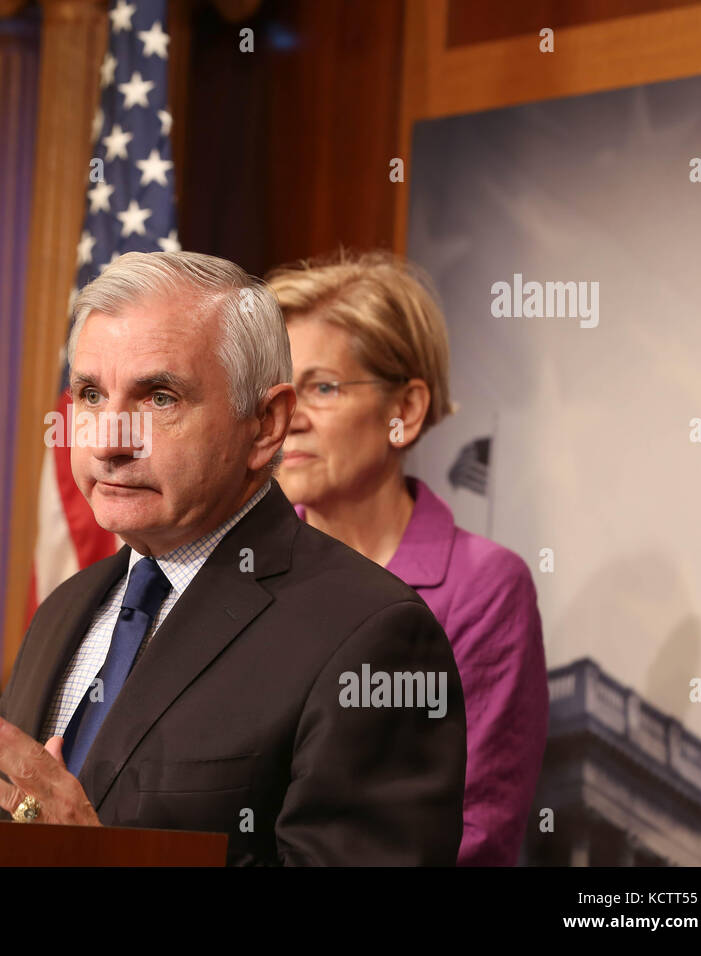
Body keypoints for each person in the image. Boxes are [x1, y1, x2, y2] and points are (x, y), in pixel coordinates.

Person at [0, 251, 467, 865]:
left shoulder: (370, 633)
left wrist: (98, 861)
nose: (109, 441)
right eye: (92, 396)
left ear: (266, 424)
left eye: (159, 398)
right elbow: (33, 834)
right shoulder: (66, 608)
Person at [265, 250, 548, 865]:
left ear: (406, 411)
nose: (292, 420)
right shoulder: (245, 572)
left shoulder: (485, 588)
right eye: (281, 393)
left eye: (322, 387)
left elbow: (477, 834)